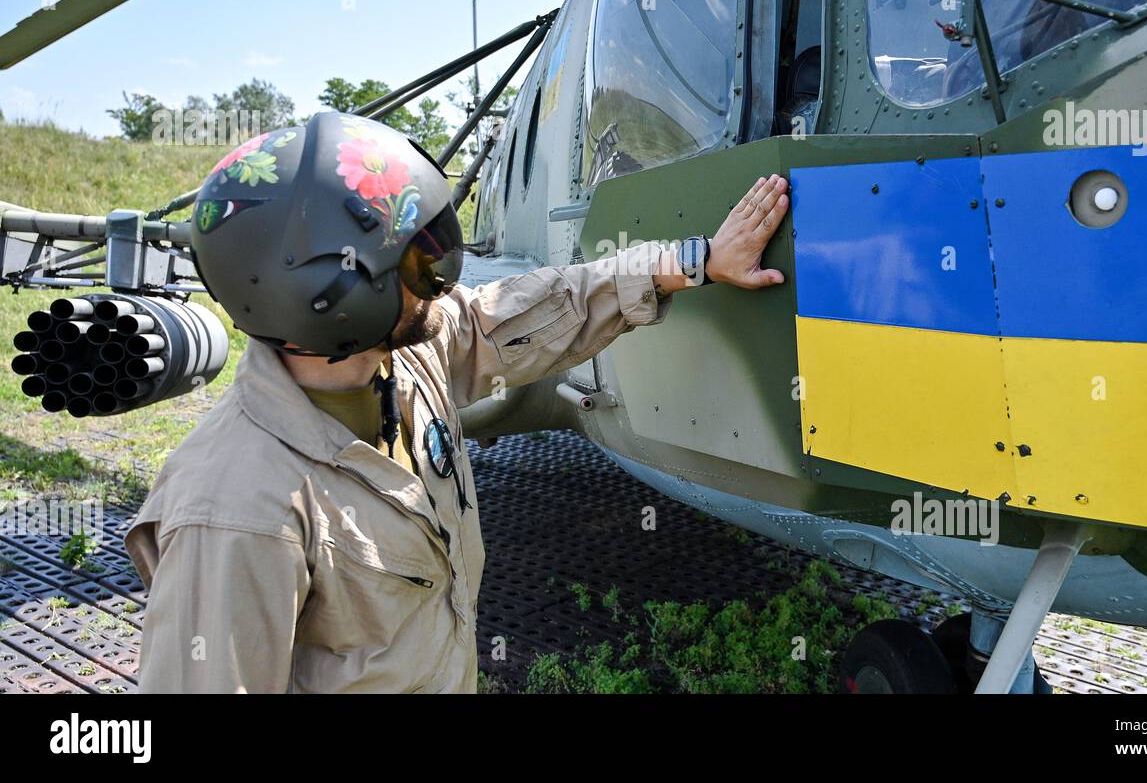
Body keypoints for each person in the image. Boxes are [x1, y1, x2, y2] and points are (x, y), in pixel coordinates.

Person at [125, 111, 790, 692]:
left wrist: (697, 259)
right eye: (418, 266)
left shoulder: (403, 354)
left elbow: (537, 309)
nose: (443, 284)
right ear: (333, 301)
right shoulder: (234, 514)